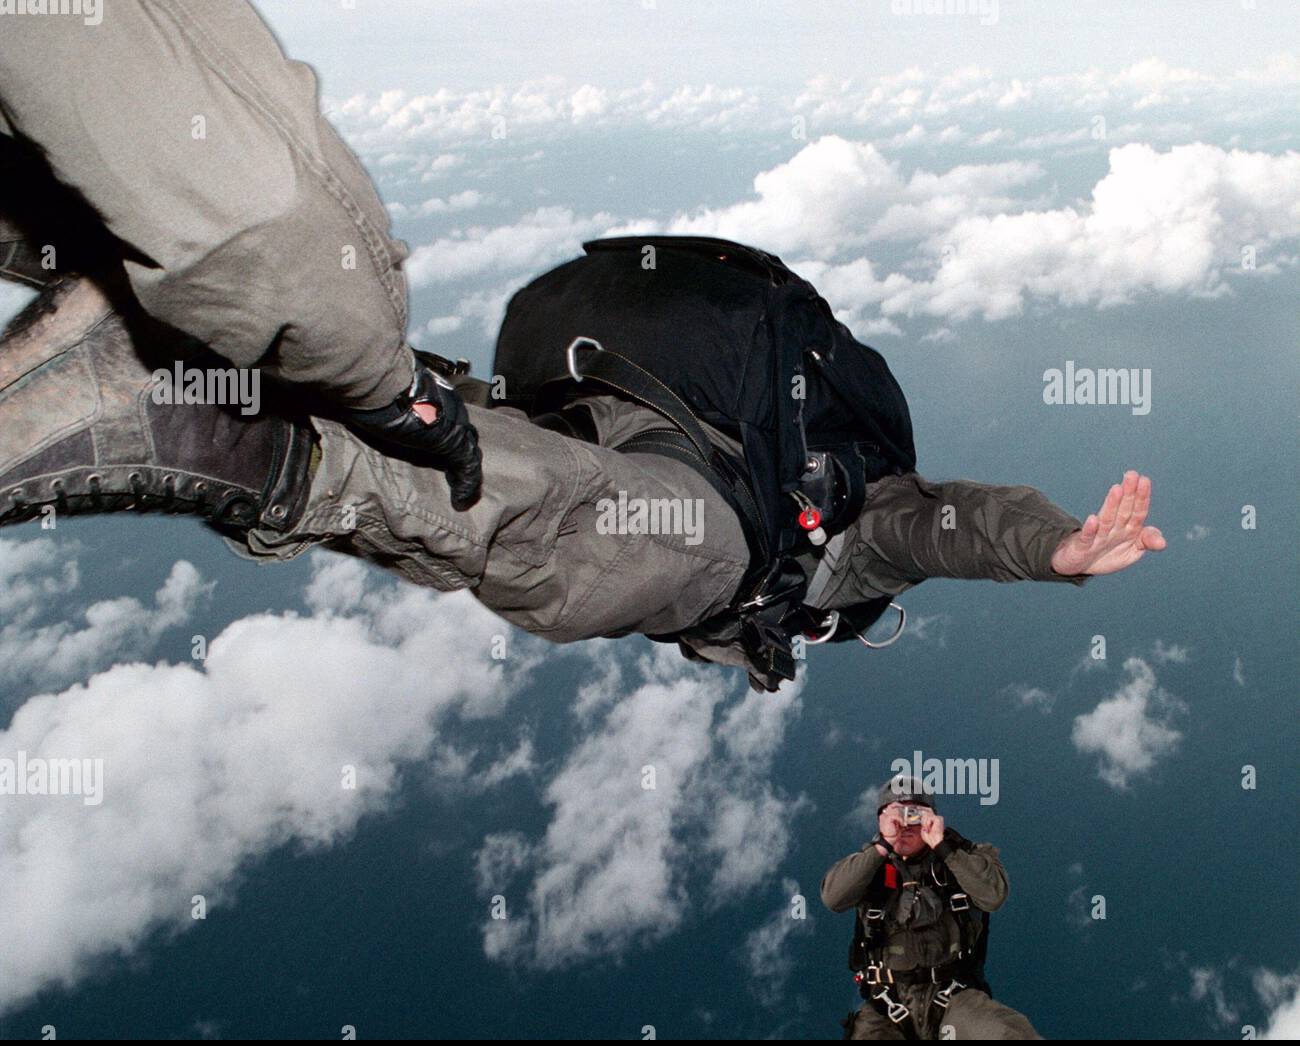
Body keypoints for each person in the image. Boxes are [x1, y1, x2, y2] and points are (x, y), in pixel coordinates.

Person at [0, 3, 1166, 684]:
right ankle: (232, 442)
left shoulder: (807, 545)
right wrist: (1053, 548)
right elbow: (939, 523)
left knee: (495, 454)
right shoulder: (829, 566)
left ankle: (96, 256)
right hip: (686, 490)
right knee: (584, 559)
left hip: (594, 390)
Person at [821, 775, 1040, 1039]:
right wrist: (881, 846)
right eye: (896, 812)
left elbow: (993, 895)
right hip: (887, 1004)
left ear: (932, 817)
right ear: (880, 819)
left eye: (915, 812)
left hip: (954, 998)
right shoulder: (868, 867)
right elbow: (833, 898)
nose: (906, 823)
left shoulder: (963, 855)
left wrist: (943, 846)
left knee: (1003, 1032)